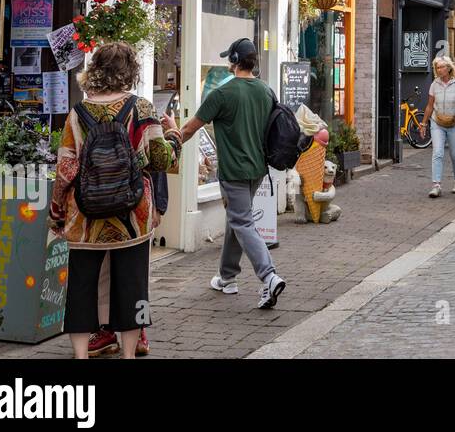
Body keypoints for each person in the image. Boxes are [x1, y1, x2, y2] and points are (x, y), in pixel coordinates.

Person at [51, 42, 177, 359]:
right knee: (134, 287)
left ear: (95, 72)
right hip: (132, 217)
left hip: (85, 218)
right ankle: (129, 354)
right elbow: (161, 161)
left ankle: (81, 355)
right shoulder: (143, 109)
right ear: (130, 72)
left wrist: (57, 215)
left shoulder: (77, 114)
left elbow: (65, 169)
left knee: (81, 288)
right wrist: (173, 135)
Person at [176, 38, 286, 309]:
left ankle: (269, 276)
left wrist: (170, 138)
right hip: (258, 169)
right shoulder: (266, 91)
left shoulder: (222, 94)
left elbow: (190, 129)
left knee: (242, 222)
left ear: (235, 61)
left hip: (234, 170)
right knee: (237, 220)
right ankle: (227, 277)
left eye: (230, 59)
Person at [422, 57, 455, 198]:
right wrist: (423, 123)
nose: (439, 70)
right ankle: (436, 185)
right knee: (438, 153)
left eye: (442, 67)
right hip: (437, 122)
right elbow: (429, 105)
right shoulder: (434, 84)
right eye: (437, 67)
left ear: (449, 68)